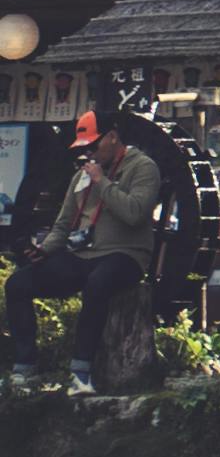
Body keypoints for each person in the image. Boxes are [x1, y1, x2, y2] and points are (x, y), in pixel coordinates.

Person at [7, 113, 166, 386]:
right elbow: (64, 223)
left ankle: (81, 369)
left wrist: (102, 182)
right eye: (84, 148)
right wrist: (44, 250)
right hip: (83, 254)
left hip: (125, 254)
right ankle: (25, 364)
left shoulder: (142, 167)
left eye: (94, 145)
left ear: (113, 136)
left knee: (98, 282)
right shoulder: (82, 175)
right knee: (18, 284)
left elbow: (135, 213)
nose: (89, 152)